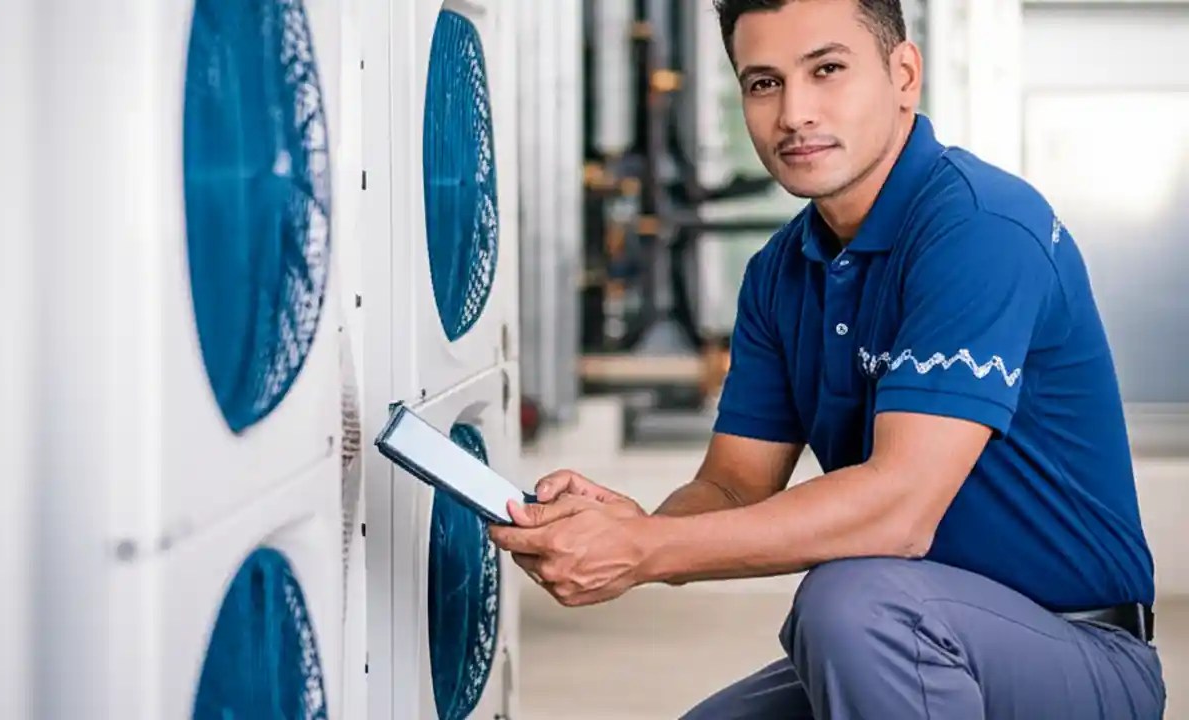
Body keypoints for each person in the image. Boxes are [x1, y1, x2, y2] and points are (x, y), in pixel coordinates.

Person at [488, 0, 1168, 717]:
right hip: (914, 637)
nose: (793, 113)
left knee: (849, 601)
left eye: (828, 70)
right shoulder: (779, 272)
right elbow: (731, 487)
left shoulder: (981, 226)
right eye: (763, 83)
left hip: (1078, 656)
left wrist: (648, 550)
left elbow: (899, 512)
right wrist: (635, 525)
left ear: (904, 73)